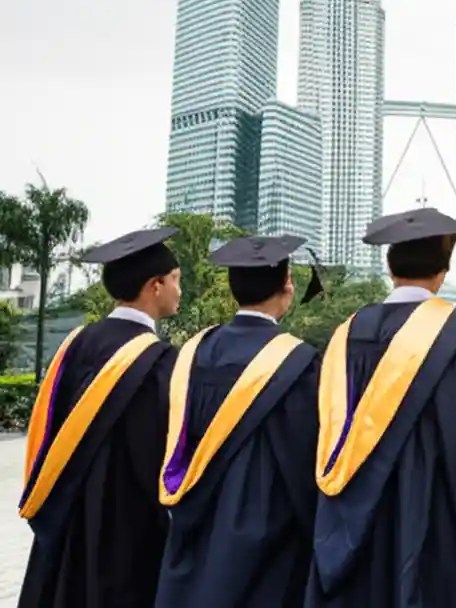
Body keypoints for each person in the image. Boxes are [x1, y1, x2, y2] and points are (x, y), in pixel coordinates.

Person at [305, 208, 456, 607]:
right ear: (442, 271)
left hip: (354, 524)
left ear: (390, 268)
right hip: (433, 523)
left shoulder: (348, 333)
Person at [18, 227, 182, 608]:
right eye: (175, 280)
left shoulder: (75, 344)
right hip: (126, 524)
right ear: (154, 285)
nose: (178, 289)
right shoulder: (158, 360)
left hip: (65, 513)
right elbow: (155, 453)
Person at [154, 235, 322, 608]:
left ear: (233, 290)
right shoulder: (297, 361)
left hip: (195, 514)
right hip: (267, 528)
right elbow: (303, 459)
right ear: (287, 286)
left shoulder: (193, 352)